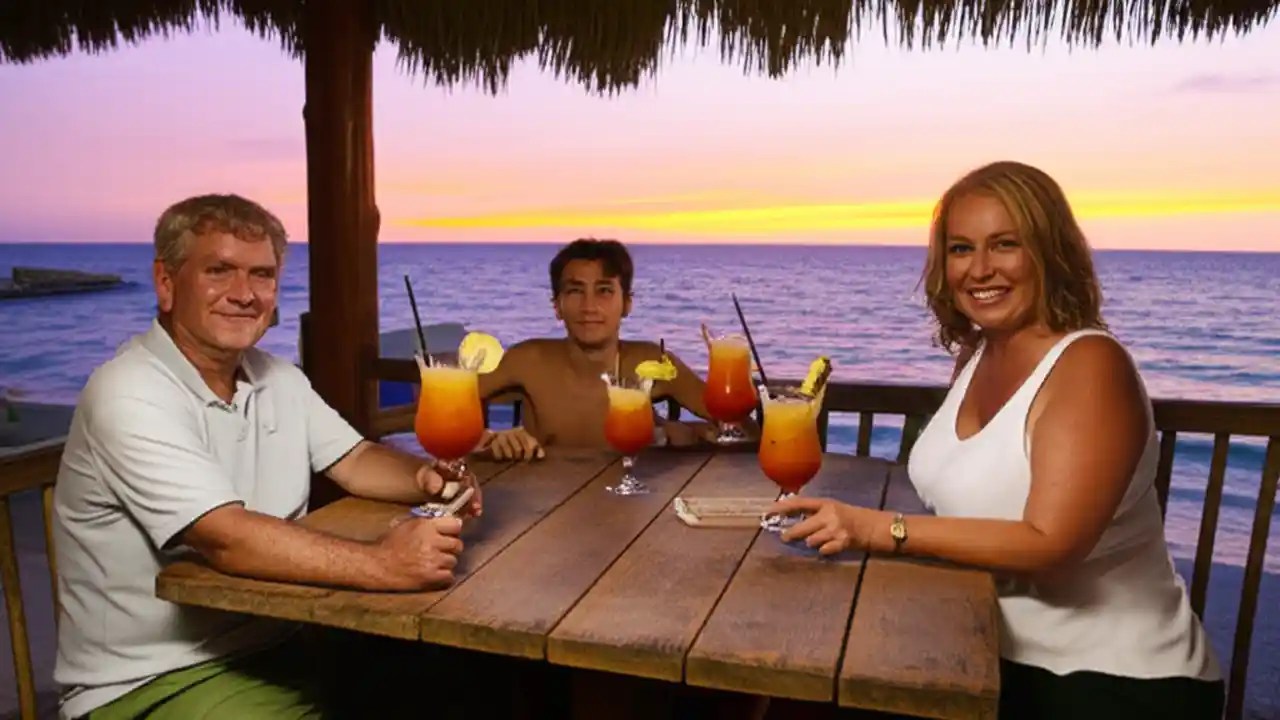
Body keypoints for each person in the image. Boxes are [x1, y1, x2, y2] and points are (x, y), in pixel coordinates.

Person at [773, 161, 1223, 718]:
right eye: (961, 249)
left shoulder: (1089, 366)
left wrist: (875, 528)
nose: (979, 269)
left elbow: (1052, 545)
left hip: (1111, 680)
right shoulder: (981, 352)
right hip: (984, 648)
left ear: (1049, 252)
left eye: (1004, 244)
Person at [52, 194, 481, 719]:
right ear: (166, 283)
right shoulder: (128, 390)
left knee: (469, 680)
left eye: (262, 275)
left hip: (282, 641)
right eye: (219, 270)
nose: (244, 294)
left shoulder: (277, 376)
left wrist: (425, 477)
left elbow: (356, 457)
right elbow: (226, 539)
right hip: (154, 679)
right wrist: (385, 563)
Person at [476, 238, 735, 459]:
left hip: (634, 507)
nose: (589, 306)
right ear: (557, 305)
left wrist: (687, 434)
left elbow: (739, 426)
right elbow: (444, 412)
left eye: (604, 291)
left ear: (627, 304)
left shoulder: (652, 363)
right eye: (576, 291)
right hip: (545, 507)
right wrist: (491, 439)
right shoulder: (528, 360)